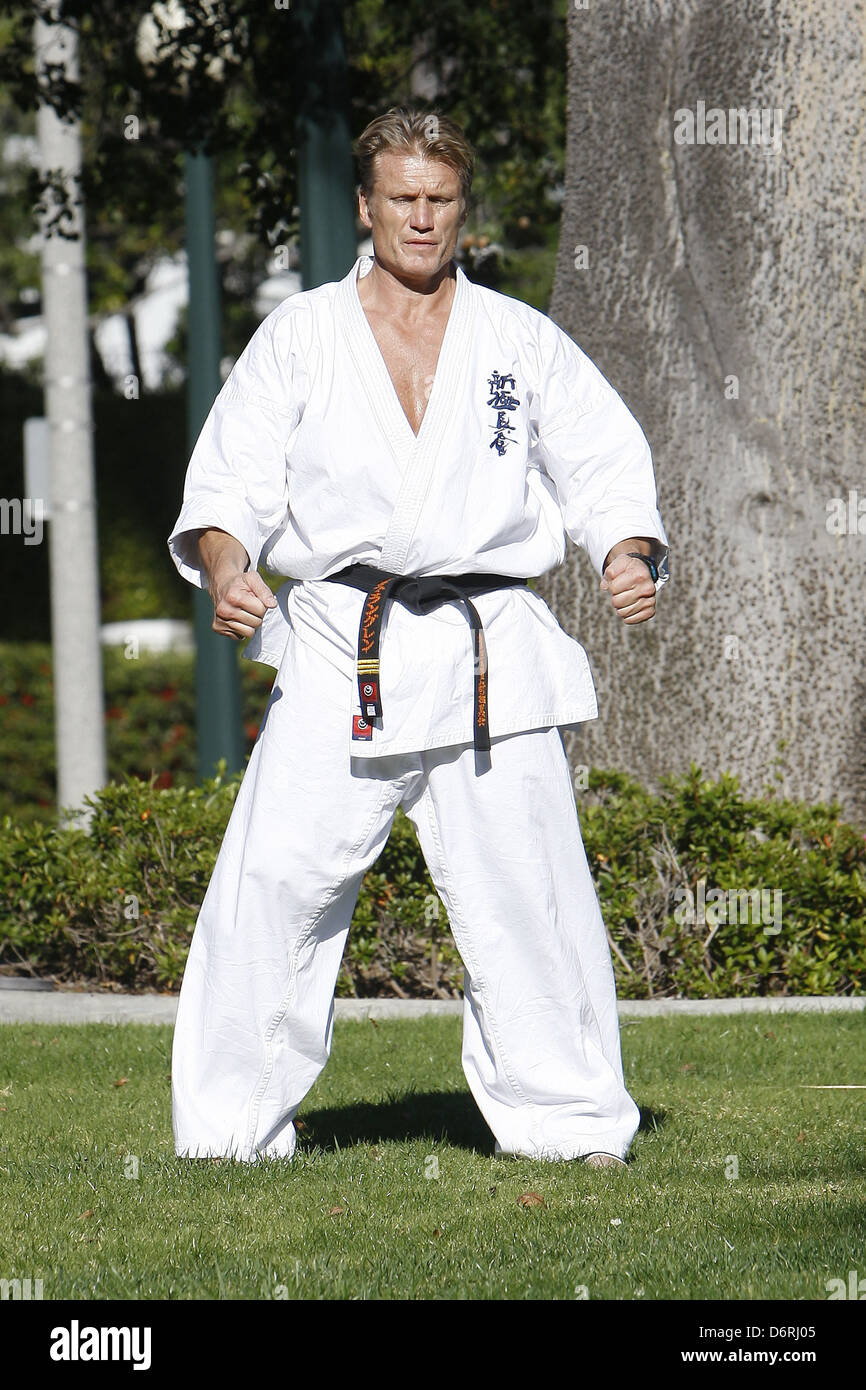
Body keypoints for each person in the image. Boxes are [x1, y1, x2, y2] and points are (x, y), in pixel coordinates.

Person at [167, 106, 669, 1168]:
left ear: (460, 207)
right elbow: (227, 483)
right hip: (342, 638)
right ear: (365, 205)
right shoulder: (301, 334)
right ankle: (227, 1131)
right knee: (275, 886)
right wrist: (228, 566)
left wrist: (624, 548)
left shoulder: (517, 338)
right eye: (402, 198)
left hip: (491, 649)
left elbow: (599, 457)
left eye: (440, 199)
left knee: (528, 894)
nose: (422, 219)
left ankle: (570, 1125)